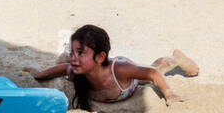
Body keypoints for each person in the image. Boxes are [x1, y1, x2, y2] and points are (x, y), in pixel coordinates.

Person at [31, 24, 197, 108]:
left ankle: (177, 59)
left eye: (80, 53)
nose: (74, 59)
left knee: (155, 69)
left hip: (123, 77)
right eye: (74, 53)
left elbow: (152, 74)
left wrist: (169, 94)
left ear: (100, 56)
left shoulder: (120, 71)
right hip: (97, 67)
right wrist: (39, 74)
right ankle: (74, 52)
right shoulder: (78, 72)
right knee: (63, 62)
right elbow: (62, 68)